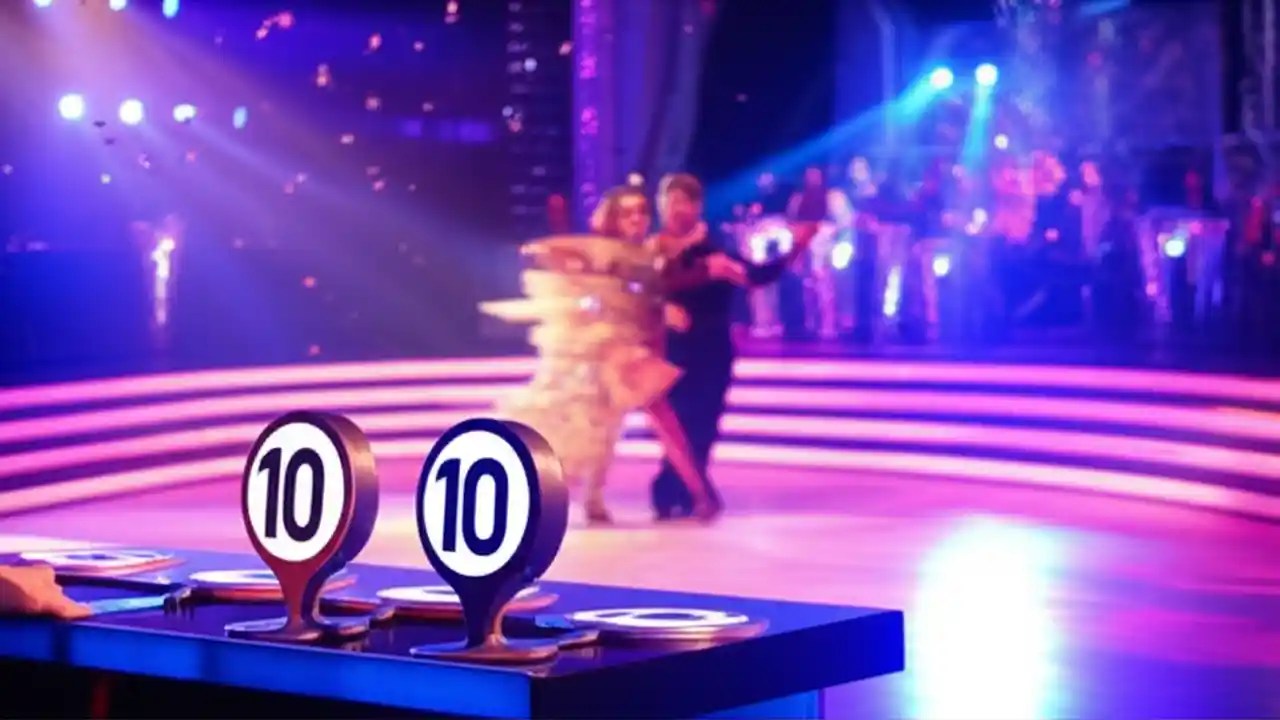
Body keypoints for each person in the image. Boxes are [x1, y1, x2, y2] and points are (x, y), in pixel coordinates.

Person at [480, 186, 715, 523]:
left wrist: (688, 247)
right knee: (587, 422)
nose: (637, 218)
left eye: (641, 211)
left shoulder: (648, 251)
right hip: (603, 347)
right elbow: (565, 262)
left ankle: (598, 496)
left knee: (610, 424)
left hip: (631, 345)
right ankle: (696, 493)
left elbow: (653, 282)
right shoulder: (605, 252)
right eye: (628, 213)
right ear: (614, 218)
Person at [649, 173, 814, 520]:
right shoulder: (652, 251)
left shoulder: (715, 248)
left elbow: (754, 276)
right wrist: (698, 277)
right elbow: (645, 289)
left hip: (713, 348)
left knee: (705, 422)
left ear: (697, 206)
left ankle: (685, 491)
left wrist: (795, 248)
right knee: (679, 421)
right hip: (671, 349)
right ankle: (675, 490)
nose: (677, 209)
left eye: (685, 202)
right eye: (671, 202)